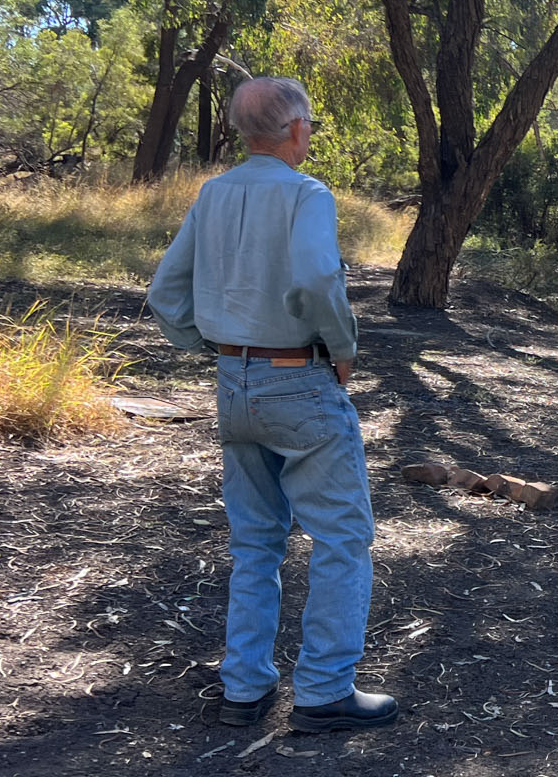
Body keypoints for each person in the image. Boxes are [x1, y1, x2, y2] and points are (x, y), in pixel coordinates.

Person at [146, 77, 397, 733]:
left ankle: (244, 687)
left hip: (234, 383)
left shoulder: (212, 193)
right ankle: (324, 691)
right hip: (300, 380)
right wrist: (343, 346)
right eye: (308, 124)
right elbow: (316, 276)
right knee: (342, 536)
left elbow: (165, 293)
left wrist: (215, 346)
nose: (309, 133)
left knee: (255, 540)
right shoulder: (307, 193)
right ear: (295, 129)